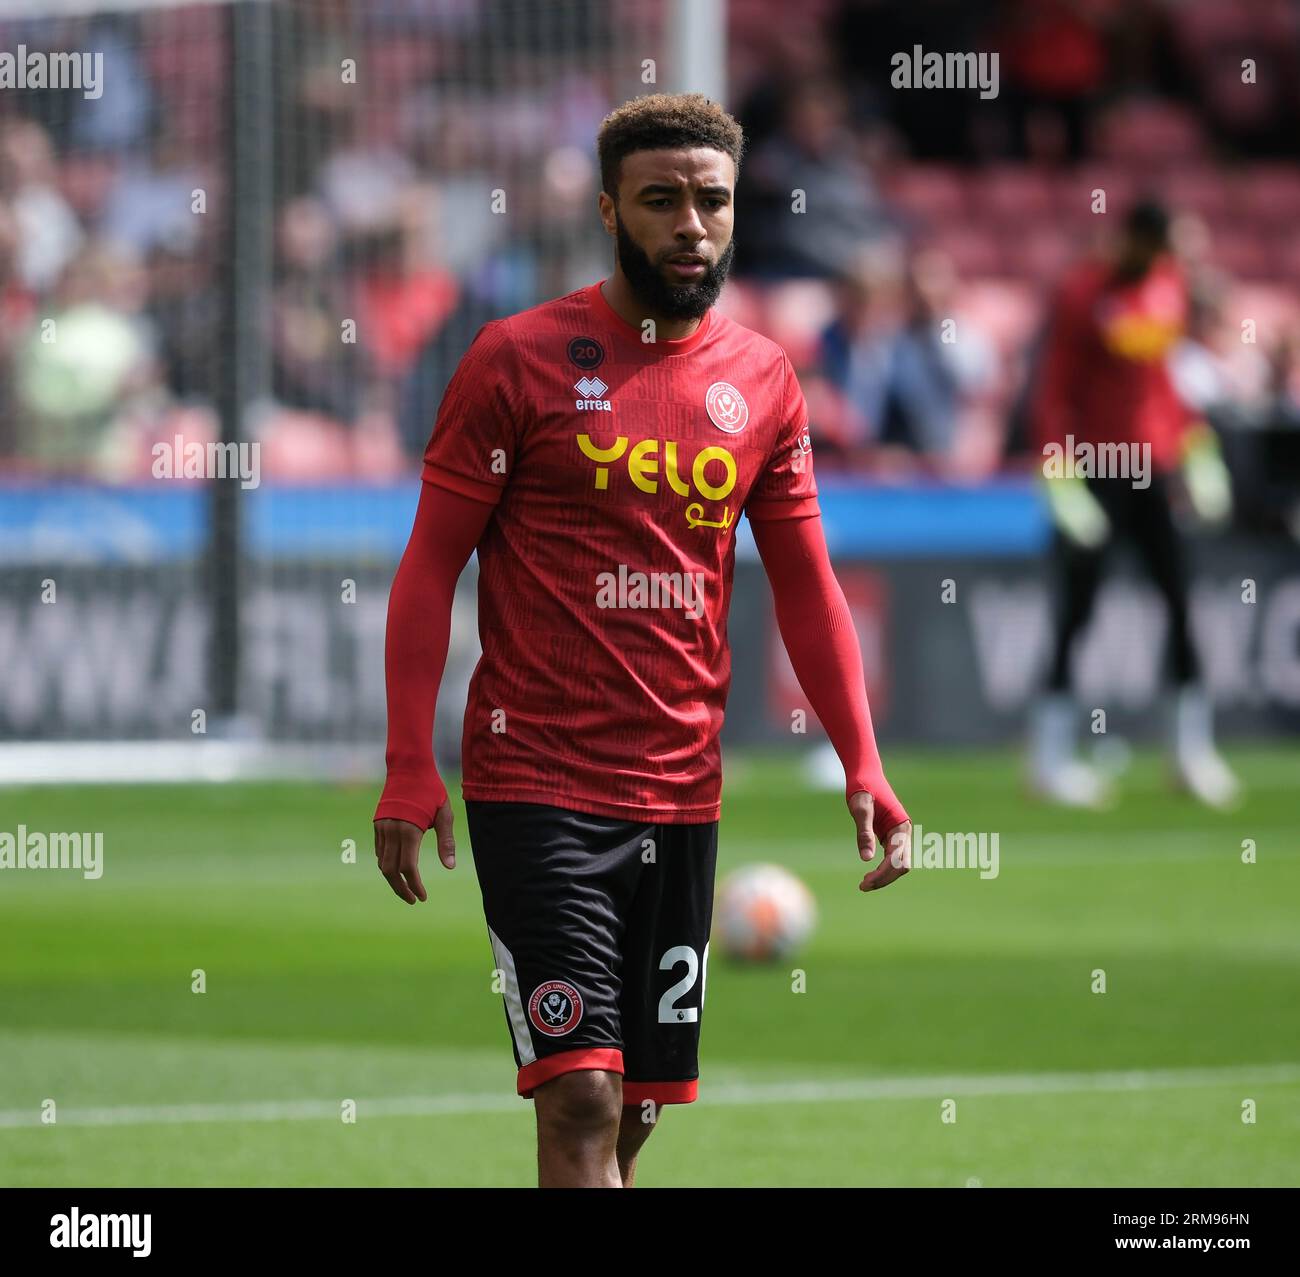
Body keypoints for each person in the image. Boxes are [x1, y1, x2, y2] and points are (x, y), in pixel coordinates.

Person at [372, 93, 911, 1188]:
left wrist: (861, 755)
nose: (691, 224)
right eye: (660, 200)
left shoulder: (762, 379)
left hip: (679, 788)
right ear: (611, 211)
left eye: (710, 200)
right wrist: (404, 761)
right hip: (535, 778)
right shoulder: (516, 360)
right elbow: (430, 565)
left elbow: (806, 583)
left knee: (638, 1115)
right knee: (579, 1091)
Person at [1027, 199, 1239, 809]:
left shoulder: (1169, 287)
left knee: (1179, 599)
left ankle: (1190, 754)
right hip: (1096, 469)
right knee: (1078, 609)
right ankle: (1050, 758)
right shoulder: (1083, 292)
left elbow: (1164, 381)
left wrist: (1197, 449)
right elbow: (1056, 385)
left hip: (1157, 467)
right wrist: (1059, 474)